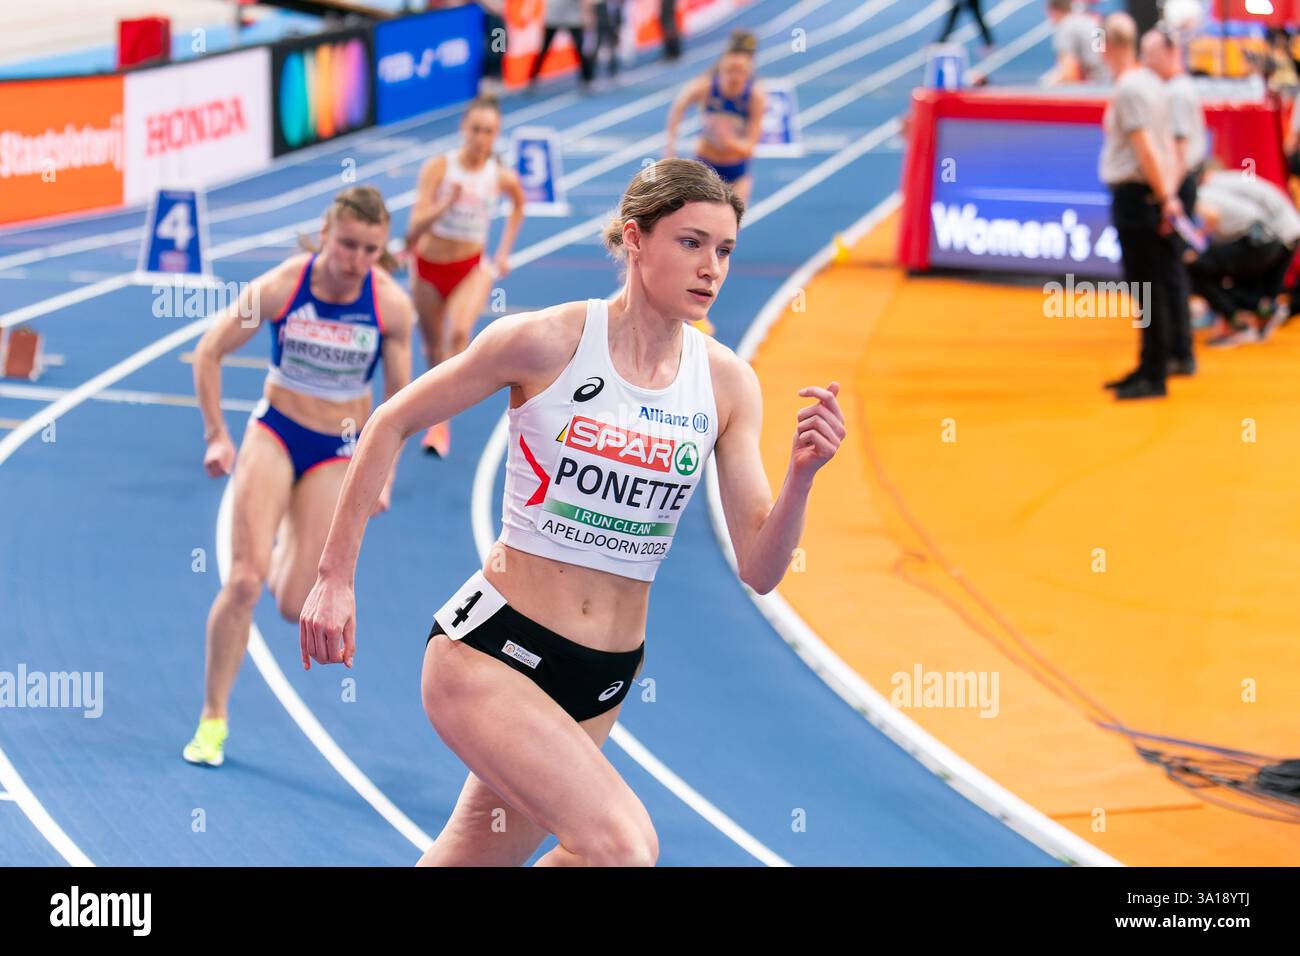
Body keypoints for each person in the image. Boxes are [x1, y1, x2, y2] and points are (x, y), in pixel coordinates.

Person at [297, 159, 846, 866]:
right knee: (623, 847)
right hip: (492, 652)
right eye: (692, 242)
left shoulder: (727, 384)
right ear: (635, 239)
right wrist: (335, 578)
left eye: (725, 250)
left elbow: (761, 568)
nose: (712, 266)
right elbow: (389, 423)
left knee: (477, 855)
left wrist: (802, 476)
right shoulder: (546, 341)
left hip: (601, 677)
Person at [182, 187, 414, 767]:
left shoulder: (391, 306)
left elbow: (402, 404)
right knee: (242, 582)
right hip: (276, 432)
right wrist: (216, 433)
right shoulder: (283, 287)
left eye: (369, 249)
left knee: (292, 604)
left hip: (337, 448)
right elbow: (208, 352)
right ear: (325, 234)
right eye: (346, 244)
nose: (355, 259)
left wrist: (383, 475)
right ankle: (213, 719)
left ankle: (286, 531)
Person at [405, 95, 525, 457]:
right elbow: (412, 230)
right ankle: (435, 407)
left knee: (458, 335)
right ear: (463, 129)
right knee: (431, 348)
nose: (481, 138)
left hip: (469, 269)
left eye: (489, 131)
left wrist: (503, 253)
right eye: (475, 129)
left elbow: (519, 205)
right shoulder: (439, 168)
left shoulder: (501, 177)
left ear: (496, 134)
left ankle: (439, 425)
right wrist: (444, 204)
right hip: (427, 267)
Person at [1098, 13, 1182, 401]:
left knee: (1147, 287)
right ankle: (1152, 364)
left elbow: (1147, 148)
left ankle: (1153, 374)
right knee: (1156, 285)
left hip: (1138, 196)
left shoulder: (1130, 89)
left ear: (1109, 45)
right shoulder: (1149, 83)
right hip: (1150, 193)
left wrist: (1166, 198)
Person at [1141, 25, 1205, 376]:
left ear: (1170, 53)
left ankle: (1179, 350)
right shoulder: (1176, 89)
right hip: (1178, 185)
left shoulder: (1177, 94)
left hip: (1177, 185)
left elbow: (1179, 152)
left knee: (1170, 270)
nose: (1147, 64)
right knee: (1171, 270)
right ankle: (1178, 348)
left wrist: (1169, 198)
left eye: (1151, 56)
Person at [1190, 167, 1300, 345]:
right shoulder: (1229, 179)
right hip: (1284, 231)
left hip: (1274, 233)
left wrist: (1199, 241)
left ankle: (1240, 321)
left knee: (1199, 266)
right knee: (1261, 288)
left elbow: (1214, 215)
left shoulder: (1210, 187)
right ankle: (1259, 316)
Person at [664, 29, 766, 206]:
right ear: (721, 70)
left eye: (739, 71)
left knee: (731, 228)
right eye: (729, 70)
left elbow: (750, 148)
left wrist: (728, 141)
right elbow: (679, 106)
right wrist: (671, 146)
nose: (734, 77)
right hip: (705, 166)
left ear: (747, 73)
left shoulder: (755, 97)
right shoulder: (706, 87)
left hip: (737, 172)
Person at [528, 0, 594, 90]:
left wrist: (586, 15)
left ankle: (587, 79)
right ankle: (532, 78)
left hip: (572, 18)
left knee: (580, 49)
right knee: (544, 49)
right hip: (554, 18)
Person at [1043, 0, 1106, 85]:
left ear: (1052, 11)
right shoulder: (1095, 22)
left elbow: (1069, 74)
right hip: (1109, 85)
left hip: (1094, 88)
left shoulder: (1066, 25)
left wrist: (1045, 84)